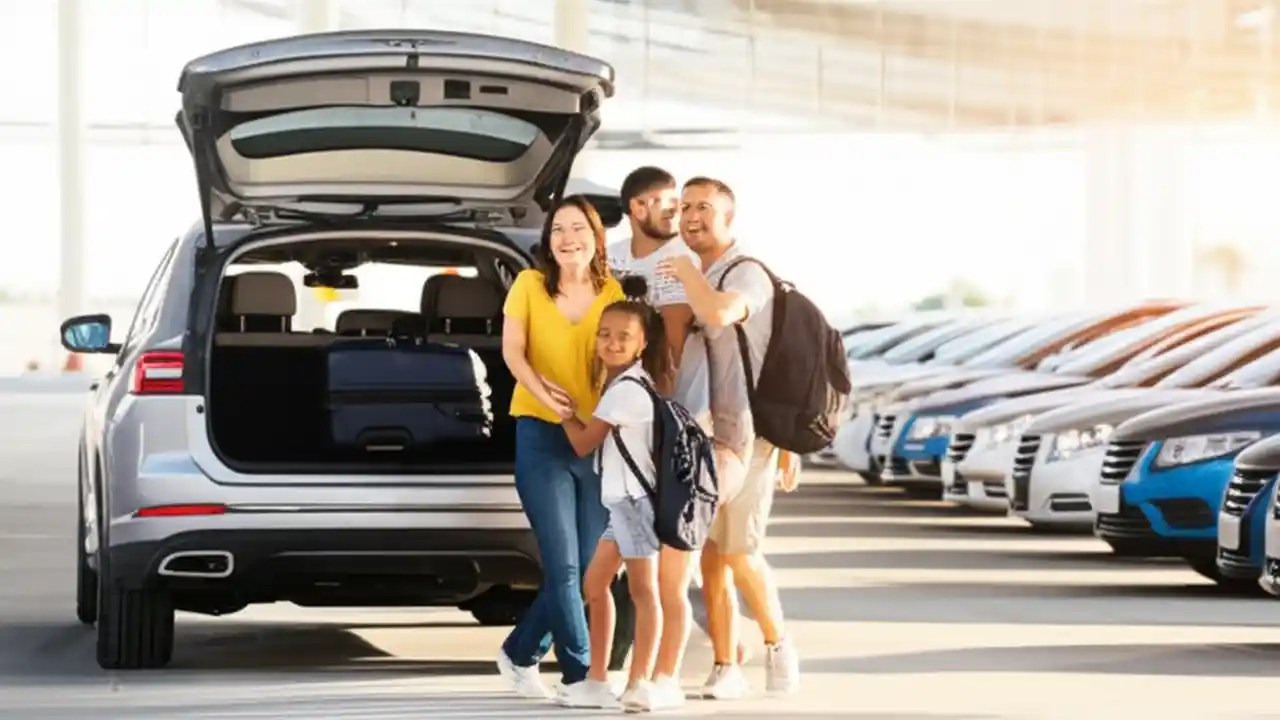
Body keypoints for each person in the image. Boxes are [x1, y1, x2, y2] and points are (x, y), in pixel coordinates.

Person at [657, 176, 801, 699]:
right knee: (711, 554)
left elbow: (720, 312)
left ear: (729, 218)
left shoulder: (747, 274)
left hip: (749, 438)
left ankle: (778, 642)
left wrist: (687, 275)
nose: (691, 217)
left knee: (740, 552)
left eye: (704, 208)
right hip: (701, 433)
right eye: (685, 208)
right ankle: (725, 664)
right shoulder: (697, 270)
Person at [605, 166, 750, 671]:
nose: (675, 213)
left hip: (679, 421)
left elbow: (670, 347)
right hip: (625, 417)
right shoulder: (611, 255)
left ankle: (656, 663)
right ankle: (647, 654)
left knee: (671, 546)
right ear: (635, 208)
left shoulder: (685, 261)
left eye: (684, 204)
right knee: (638, 547)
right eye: (665, 203)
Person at [496, 195, 625, 704]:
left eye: (578, 229)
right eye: (558, 230)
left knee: (593, 567)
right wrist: (543, 389)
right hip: (540, 432)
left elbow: (621, 363)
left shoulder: (612, 293)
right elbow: (512, 352)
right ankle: (580, 678)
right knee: (564, 567)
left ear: (596, 238)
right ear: (548, 241)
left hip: (595, 439)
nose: (567, 238)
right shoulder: (529, 285)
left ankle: (520, 652)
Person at [558, 280, 687, 711]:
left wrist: (559, 412)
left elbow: (582, 443)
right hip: (622, 504)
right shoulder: (624, 385)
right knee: (597, 585)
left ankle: (639, 684)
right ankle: (598, 679)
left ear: (642, 344)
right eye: (605, 334)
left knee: (643, 592)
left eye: (624, 337)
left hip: (635, 504)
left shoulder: (629, 391)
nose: (611, 343)